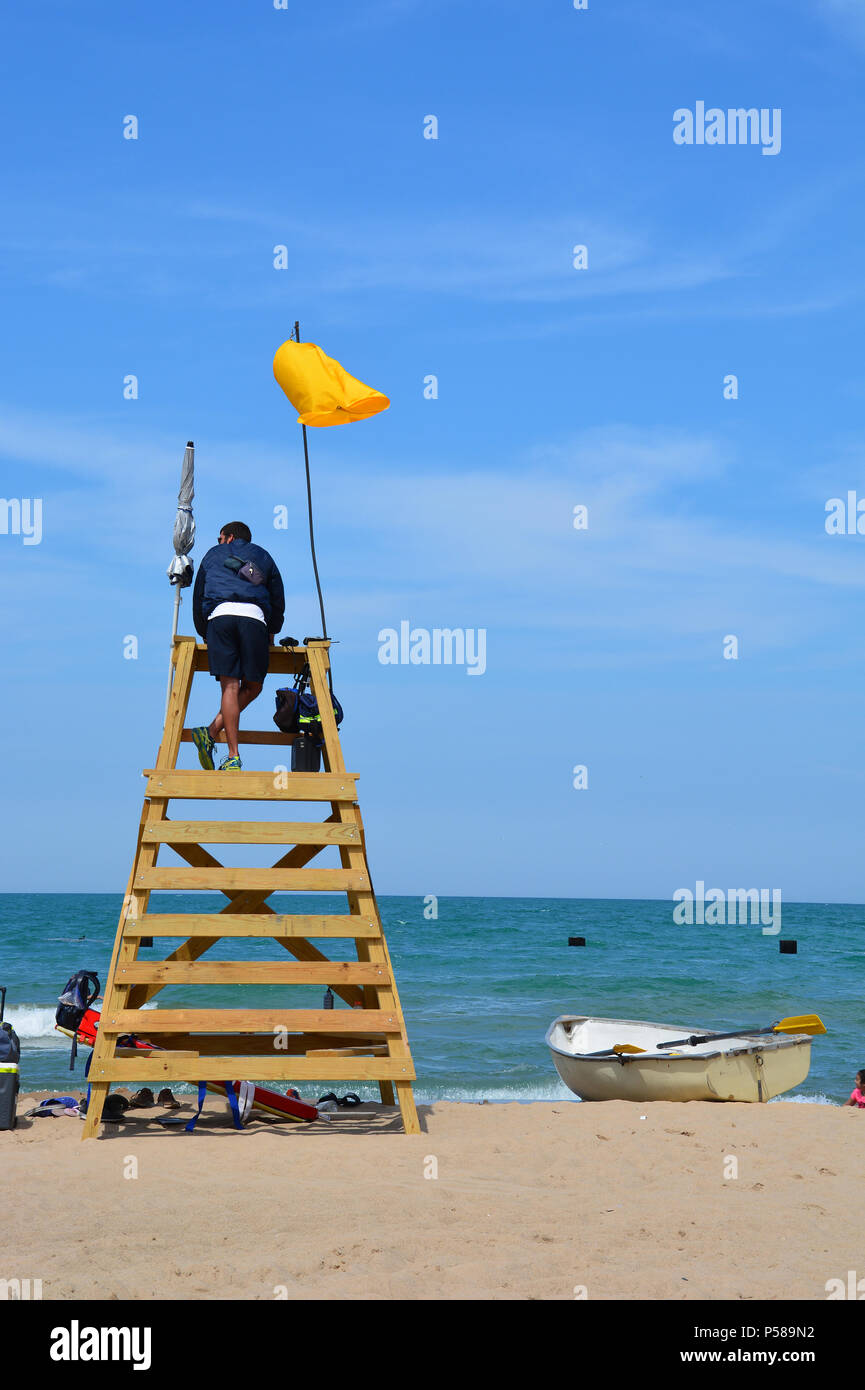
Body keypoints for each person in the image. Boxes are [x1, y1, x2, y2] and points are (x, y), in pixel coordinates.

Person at [190, 521, 285, 770]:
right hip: (254, 619)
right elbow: (277, 596)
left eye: (220, 538)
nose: (218, 542)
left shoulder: (212, 555)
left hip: (220, 617)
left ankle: (230, 753)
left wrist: (204, 631)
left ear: (230, 537)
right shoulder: (263, 555)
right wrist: (273, 630)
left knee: (229, 687)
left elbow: (198, 595)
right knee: (253, 686)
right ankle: (210, 734)